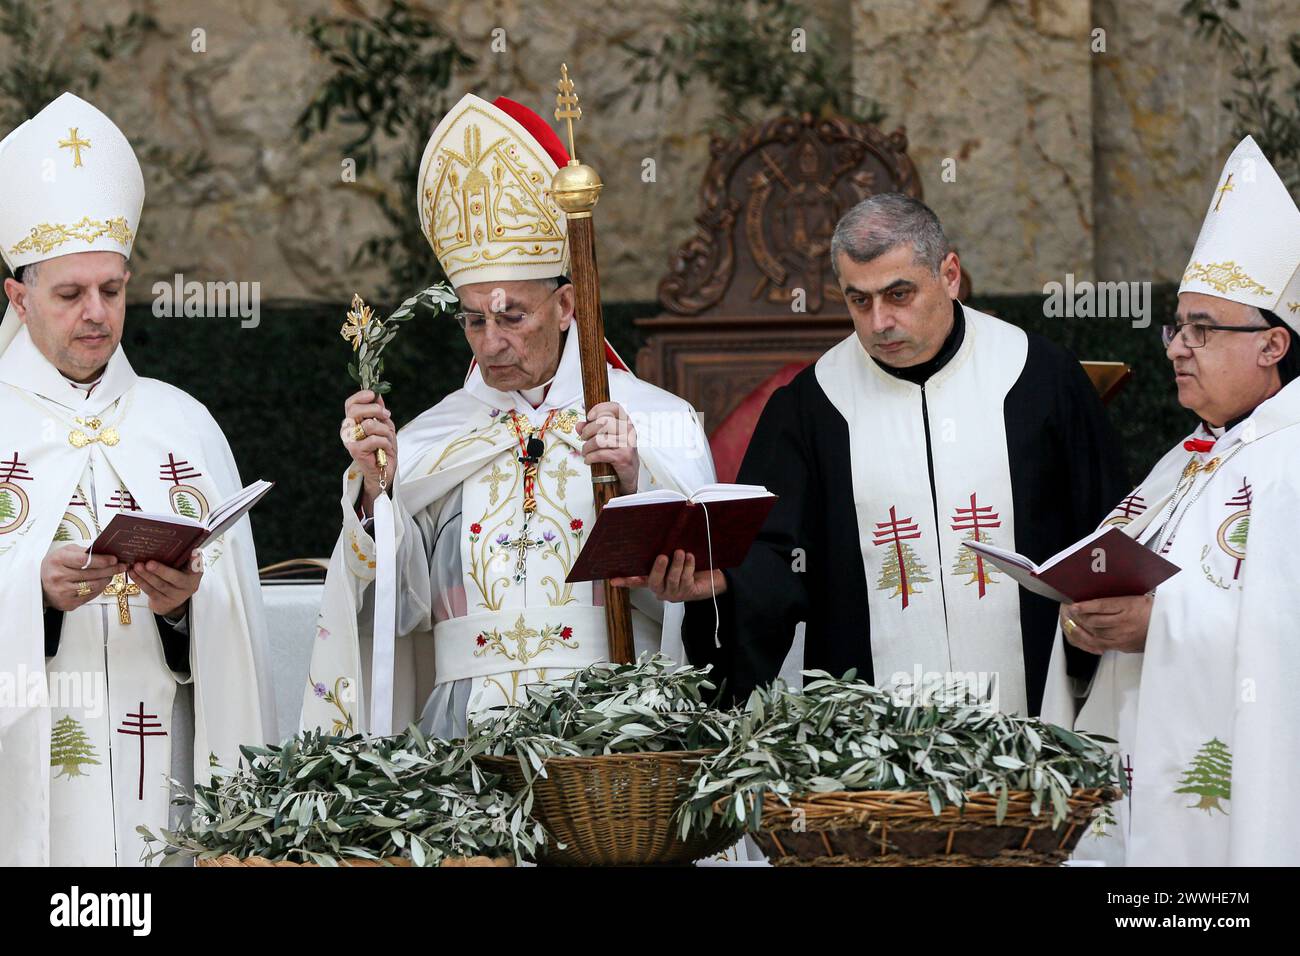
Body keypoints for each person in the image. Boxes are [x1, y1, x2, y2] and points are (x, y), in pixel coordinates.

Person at [302, 93, 713, 739]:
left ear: (567, 306)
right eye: (474, 320)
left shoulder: (655, 419)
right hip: (464, 726)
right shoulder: (434, 436)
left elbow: (704, 586)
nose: (491, 342)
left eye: (512, 316)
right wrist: (377, 492)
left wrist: (637, 481)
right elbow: (398, 610)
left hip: (612, 728)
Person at [622, 192, 1128, 716]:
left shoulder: (1040, 377)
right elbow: (773, 554)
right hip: (871, 734)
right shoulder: (811, 407)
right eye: (858, 300)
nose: (879, 321)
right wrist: (726, 582)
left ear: (950, 275)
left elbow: (1106, 529)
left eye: (898, 294)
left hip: (1034, 708)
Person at [0, 93, 273, 866]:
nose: (97, 313)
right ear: (19, 297)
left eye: (112, 291)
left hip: (168, 767)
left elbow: (237, 635)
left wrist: (183, 609)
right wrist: (30, 596)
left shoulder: (180, 424)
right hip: (30, 784)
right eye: (68, 294)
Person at [1043, 136, 1300, 866]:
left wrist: (1159, 622)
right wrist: (1085, 621)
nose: (1178, 347)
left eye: (1204, 328)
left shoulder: (1293, 458)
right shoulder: (1185, 456)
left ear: (1273, 345)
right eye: (1178, 326)